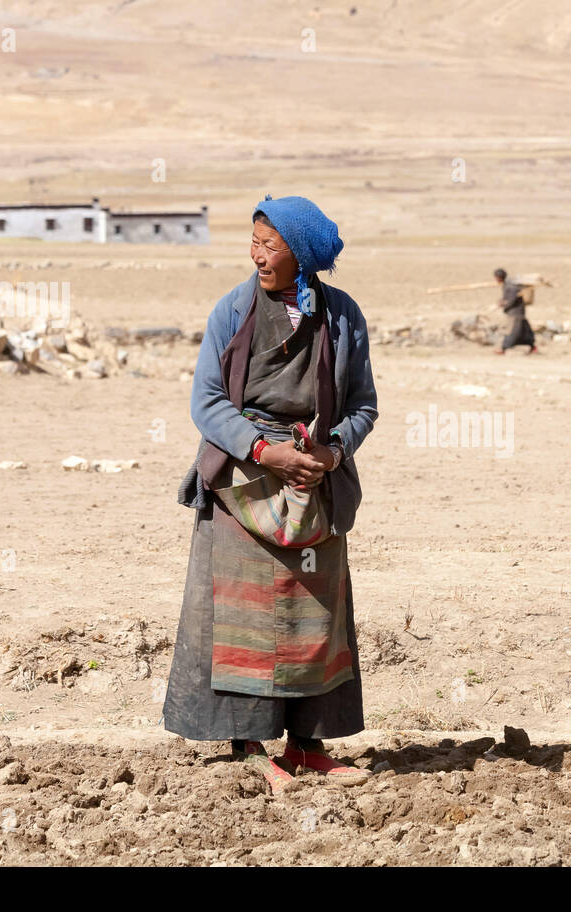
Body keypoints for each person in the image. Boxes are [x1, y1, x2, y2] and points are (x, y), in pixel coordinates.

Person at [164, 194, 378, 794]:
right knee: (242, 620)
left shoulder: (342, 316)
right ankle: (248, 748)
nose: (256, 254)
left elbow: (363, 405)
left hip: (315, 481)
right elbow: (206, 402)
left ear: (302, 256)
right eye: (254, 242)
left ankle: (307, 747)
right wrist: (266, 452)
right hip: (243, 480)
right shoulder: (232, 310)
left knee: (315, 617)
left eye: (270, 245)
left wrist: (329, 453)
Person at [493, 267, 537, 355]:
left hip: (515, 313)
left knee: (512, 331)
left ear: (499, 277)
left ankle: (504, 348)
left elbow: (511, 299)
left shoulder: (510, 286)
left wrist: (504, 304)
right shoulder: (508, 284)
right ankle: (532, 347)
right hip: (518, 313)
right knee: (524, 331)